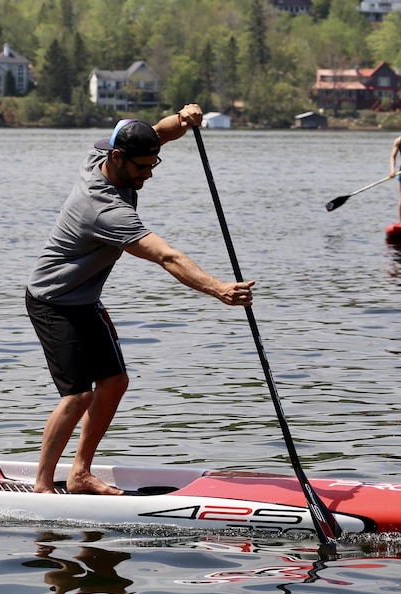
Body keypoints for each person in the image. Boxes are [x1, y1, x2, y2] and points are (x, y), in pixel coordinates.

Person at [25, 105, 255, 495]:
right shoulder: (105, 211)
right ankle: (43, 488)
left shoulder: (103, 152)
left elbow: (157, 133)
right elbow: (167, 256)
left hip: (84, 299)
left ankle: (80, 474)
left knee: (114, 382)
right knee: (78, 394)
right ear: (117, 158)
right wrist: (218, 289)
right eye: (141, 169)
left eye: (153, 167)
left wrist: (182, 120)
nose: (147, 176)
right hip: (53, 300)